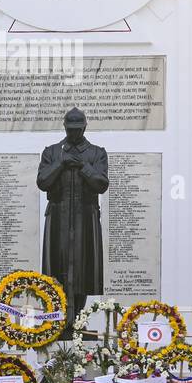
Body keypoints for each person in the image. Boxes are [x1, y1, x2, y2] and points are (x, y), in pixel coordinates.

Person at [36, 107, 108, 326]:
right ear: (64, 127)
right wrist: (61, 163)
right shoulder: (52, 152)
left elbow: (101, 184)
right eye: (70, 129)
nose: (74, 133)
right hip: (58, 217)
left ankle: (77, 320)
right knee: (58, 266)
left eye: (78, 129)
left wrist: (83, 166)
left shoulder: (97, 153)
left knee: (83, 269)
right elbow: (43, 182)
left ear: (85, 127)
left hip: (85, 218)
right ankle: (60, 318)